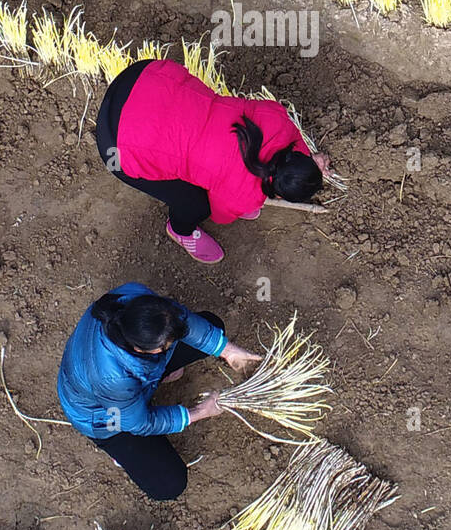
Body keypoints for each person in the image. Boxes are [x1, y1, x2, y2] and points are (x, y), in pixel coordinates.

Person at [95, 57, 330, 263]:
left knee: (205, 160)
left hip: (145, 78)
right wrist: (243, 201)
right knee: (197, 203)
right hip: (119, 143)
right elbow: (220, 215)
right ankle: (181, 231)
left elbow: (288, 137)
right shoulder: (243, 195)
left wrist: (310, 161)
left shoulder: (277, 118)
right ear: (279, 195)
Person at [57, 281, 262, 500]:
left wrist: (228, 351)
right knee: (168, 485)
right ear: (140, 349)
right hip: (106, 416)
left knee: (212, 326)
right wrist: (199, 413)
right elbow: (139, 423)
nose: (170, 345)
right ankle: (120, 452)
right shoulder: (112, 378)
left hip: (128, 381)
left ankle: (157, 375)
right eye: (164, 346)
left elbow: (182, 321)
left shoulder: (137, 299)